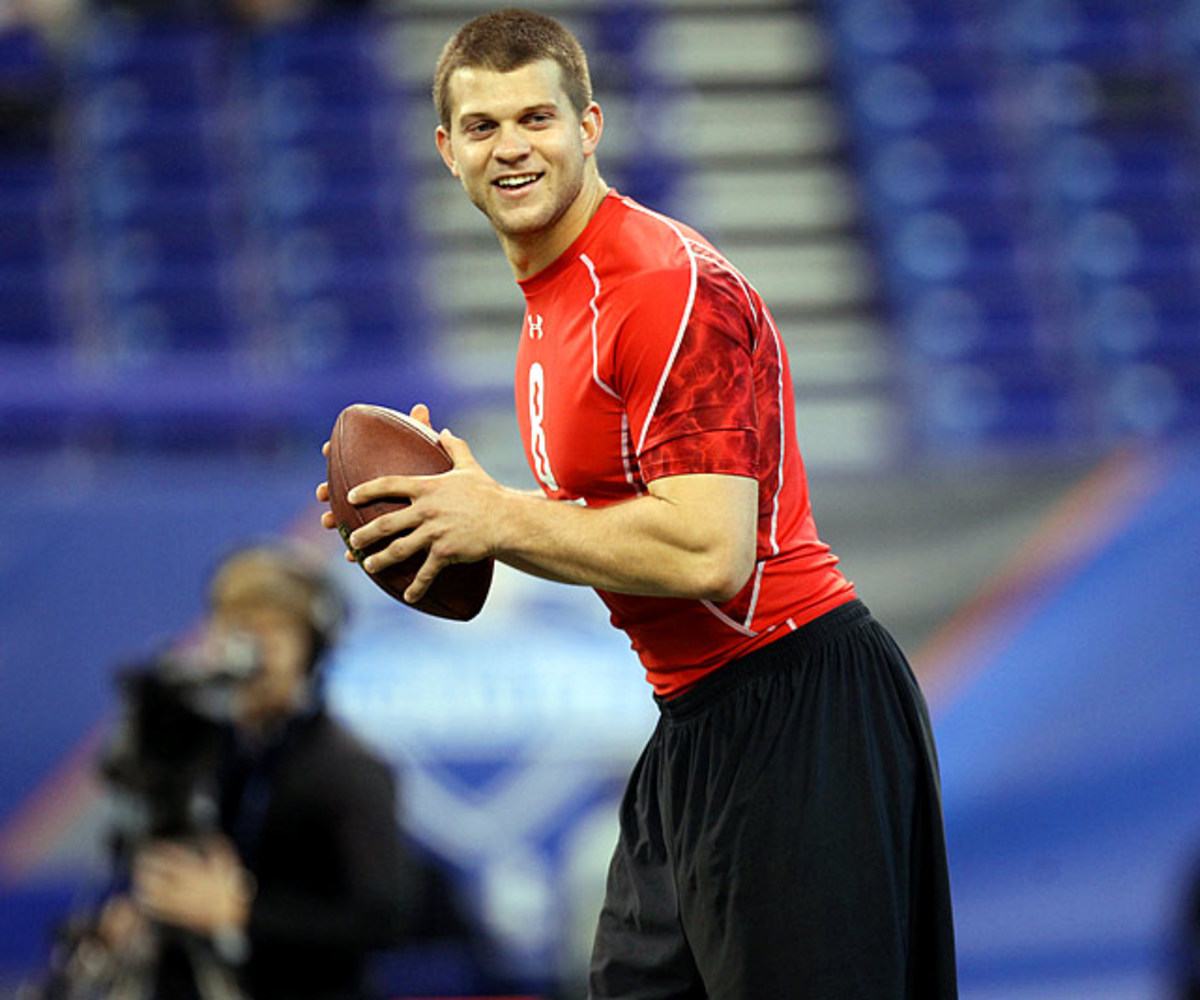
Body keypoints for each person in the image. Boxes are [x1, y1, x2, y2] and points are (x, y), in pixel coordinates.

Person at [318, 9, 958, 998]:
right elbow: (610, 527)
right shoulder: (554, 303)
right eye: (483, 126)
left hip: (796, 703)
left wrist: (501, 517)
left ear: (591, 126)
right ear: (447, 151)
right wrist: (440, 513)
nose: (513, 146)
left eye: (537, 117)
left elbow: (712, 554)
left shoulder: (667, 289)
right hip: (695, 720)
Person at [109, 542, 416, 1000]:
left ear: (309, 648)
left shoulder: (349, 768)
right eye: (238, 626)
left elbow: (383, 918)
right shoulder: (208, 751)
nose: (254, 647)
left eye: (274, 630)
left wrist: (241, 914)